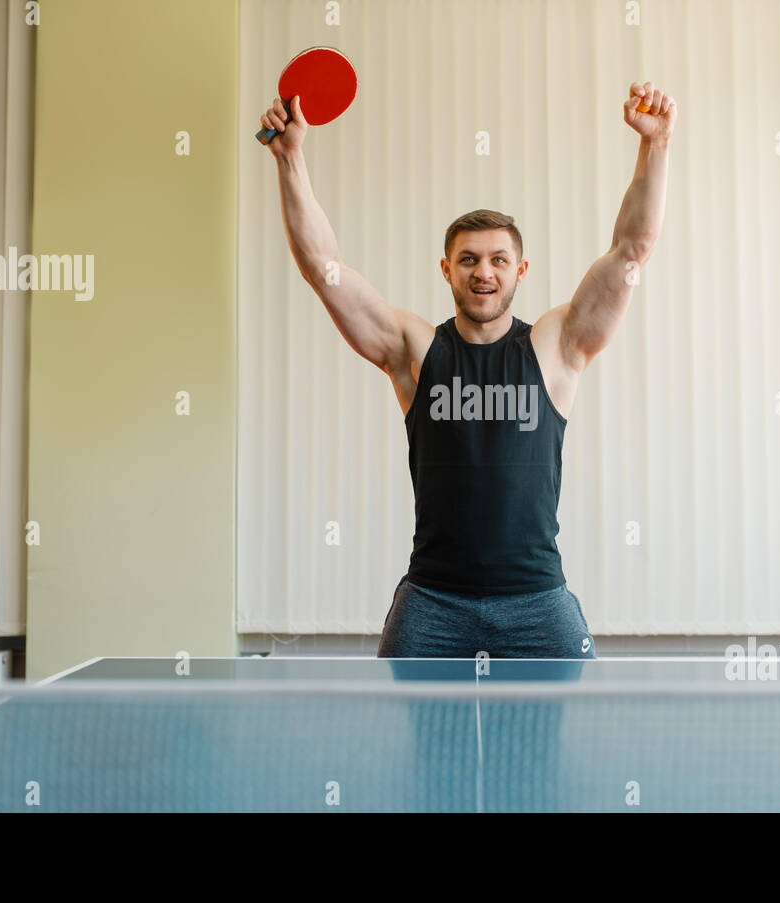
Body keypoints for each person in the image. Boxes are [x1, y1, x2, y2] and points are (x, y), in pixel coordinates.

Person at [261, 81, 674, 659]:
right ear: (447, 270)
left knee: (552, 748)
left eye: (498, 260)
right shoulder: (415, 349)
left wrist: (654, 146)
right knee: (422, 750)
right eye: (469, 260)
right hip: (433, 602)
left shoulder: (557, 348)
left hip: (537, 602)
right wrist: (290, 158)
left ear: (520, 269)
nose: (484, 272)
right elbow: (322, 268)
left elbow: (632, 249)